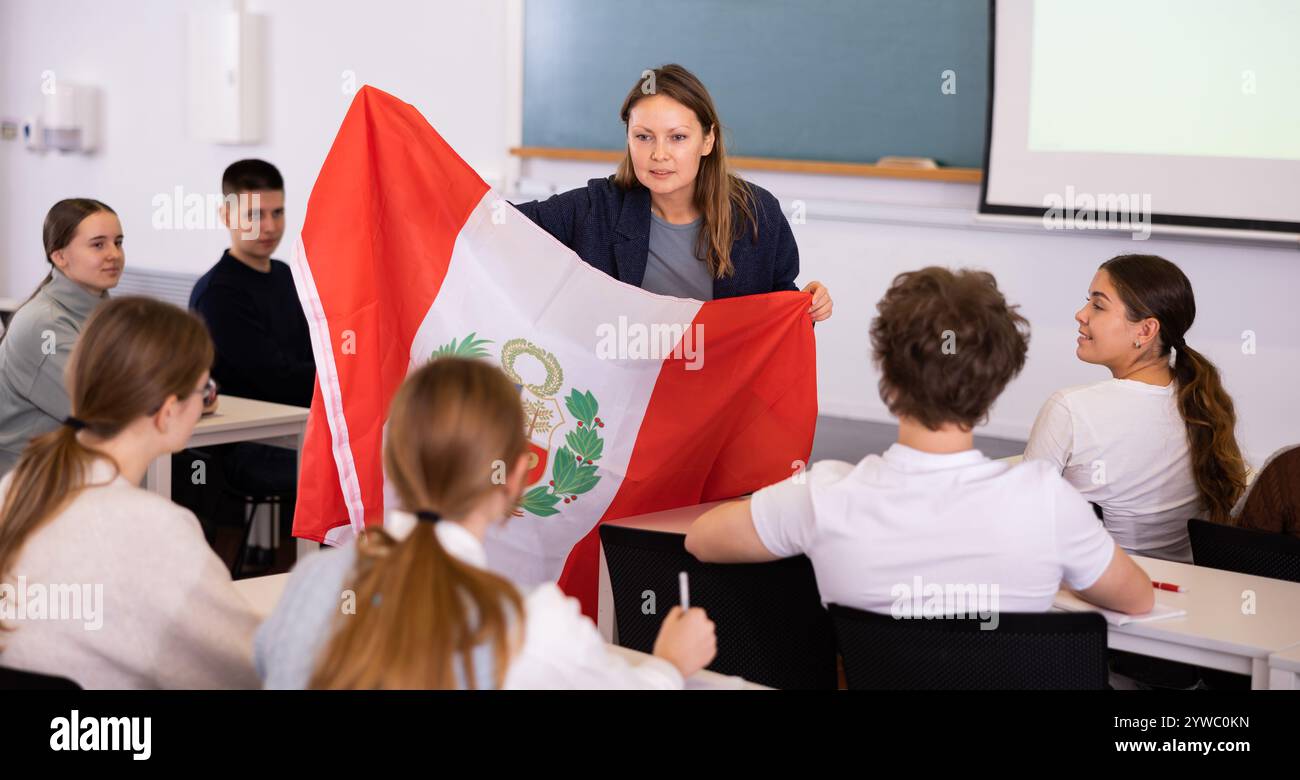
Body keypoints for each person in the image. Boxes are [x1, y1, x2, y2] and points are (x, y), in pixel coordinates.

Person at [685, 267, 1153, 618]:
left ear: (887, 376)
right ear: (996, 383)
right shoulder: (1047, 502)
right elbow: (1138, 598)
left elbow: (701, 539)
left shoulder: (823, 496)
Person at [255, 357, 717, 689]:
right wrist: (670, 666)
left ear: (391, 462)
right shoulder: (528, 624)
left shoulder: (310, 581)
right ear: (518, 476)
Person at [0, 297, 260, 688]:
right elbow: (247, 670)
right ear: (168, 410)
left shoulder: (16, 487)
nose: (207, 398)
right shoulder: (156, 530)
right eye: (204, 389)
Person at [513, 64, 832, 320]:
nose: (659, 154)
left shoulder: (757, 212)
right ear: (628, 138)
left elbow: (780, 302)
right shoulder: (595, 208)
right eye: (643, 137)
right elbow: (494, 222)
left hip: (716, 390)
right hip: (626, 393)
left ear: (708, 140)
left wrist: (810, 305)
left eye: (677, 137)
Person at [1025, 254, 1247, 562]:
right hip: (1184, 593)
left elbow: (1021, 524)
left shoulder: (1070, 408)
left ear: (1145, 331)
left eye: (1098, 305)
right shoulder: (1202, 403)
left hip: (1095, 594)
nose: (1081, 314)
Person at [0, 199, 122, 474]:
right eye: (98, 244)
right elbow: (103, 410)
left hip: (75, 471)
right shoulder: (44, 325)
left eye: (118, 242)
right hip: (32, 486)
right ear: (60, 257)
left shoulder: (104, 314)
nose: (114, 254)